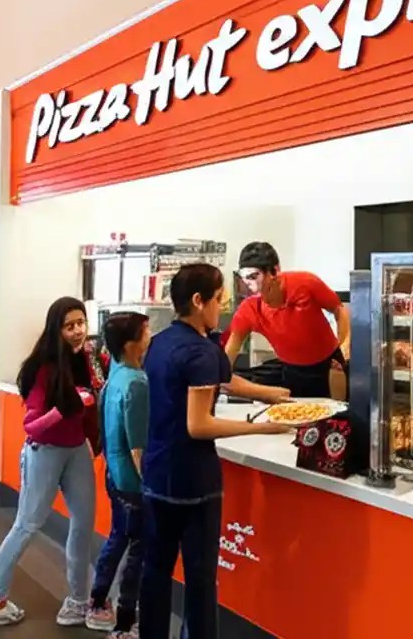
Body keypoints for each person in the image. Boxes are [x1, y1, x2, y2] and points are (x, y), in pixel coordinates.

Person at [140, 264, 292, 639]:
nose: (222, 306)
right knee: (201, 580)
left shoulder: (161, 342)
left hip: (157, 471)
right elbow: (199, 425)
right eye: (219, 298)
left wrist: (275, 394)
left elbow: (224, 379)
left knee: (155, 570)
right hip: (193, 480)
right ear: (198, 300)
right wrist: (261, 427)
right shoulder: (199, 350)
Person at [0, 297, 102, 627]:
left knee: (82, 524)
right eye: (69, 325)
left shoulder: (87, 361)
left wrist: (94, 437)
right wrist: (65, 408)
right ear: (56, 329)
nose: (77, 331)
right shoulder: (45, 369)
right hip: (43, 451)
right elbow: (30, 425)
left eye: (81, 323)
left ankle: (78, 600)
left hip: (76, 451)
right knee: (27, 525)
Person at [87, 312, 152, 638]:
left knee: (117, 539)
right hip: (134, 483)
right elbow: (138, 447)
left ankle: (97, 601)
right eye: (146, 332)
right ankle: (126, 621)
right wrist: (150, 485)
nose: (150, 336)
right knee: (138, 551)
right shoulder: (137, 384)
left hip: (114, 476)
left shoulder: (115, 378)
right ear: (131, 344)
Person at [225, 241, 350, 399]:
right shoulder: (249, 307)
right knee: (300, 417)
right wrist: (218, 376)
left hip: (331, 365)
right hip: (292, 370)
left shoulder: (306, 283)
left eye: (255, 277)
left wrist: (344, 344)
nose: (255, 290)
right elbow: (232, 346)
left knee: (339, 417)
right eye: (246, 279)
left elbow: (339, 309)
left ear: (275, 271)